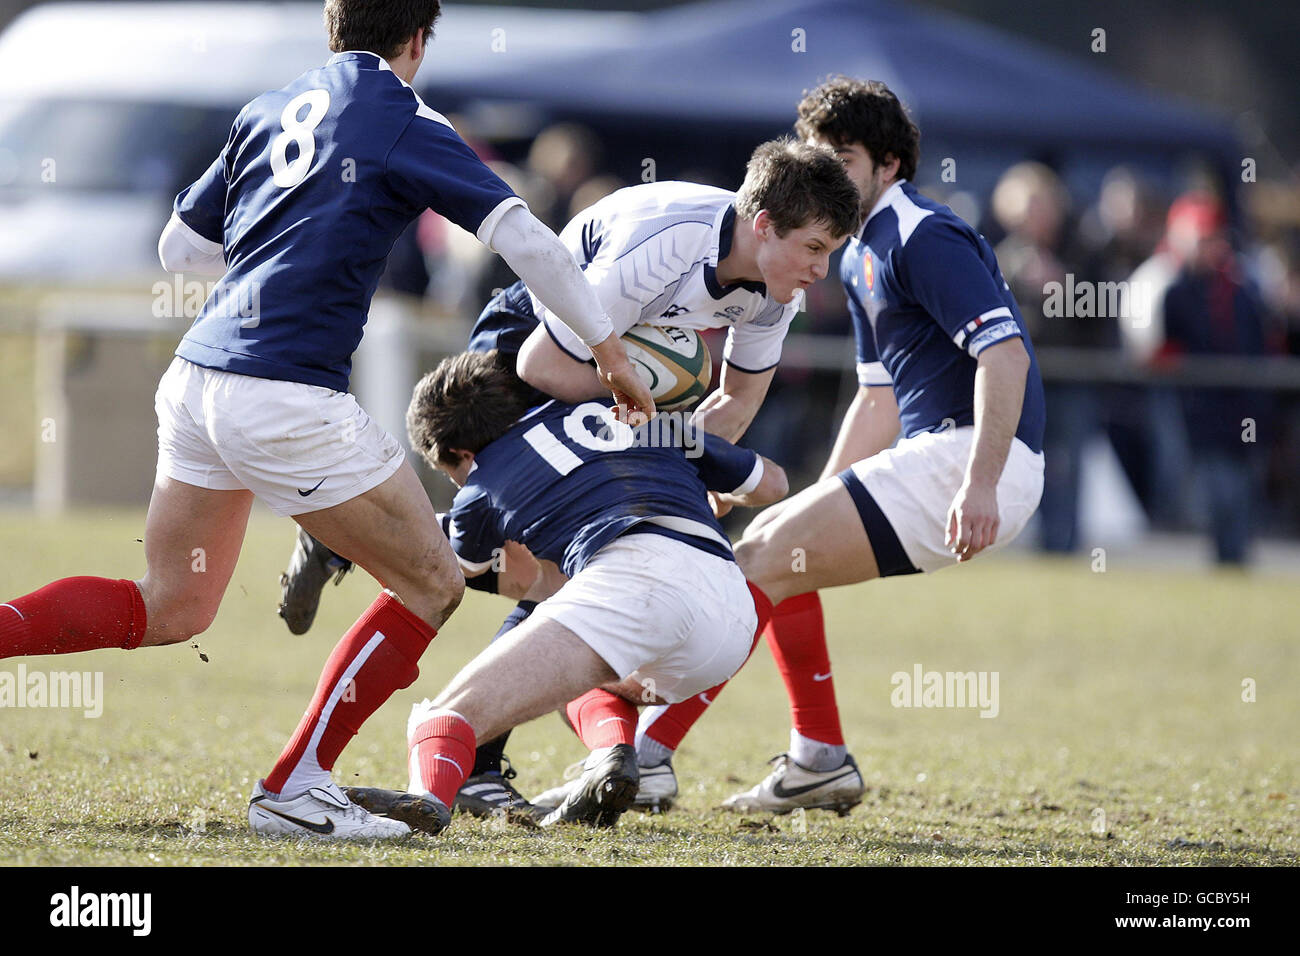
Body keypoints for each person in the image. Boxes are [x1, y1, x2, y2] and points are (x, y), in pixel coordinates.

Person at [0, 0, 654, 841]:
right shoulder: (402, 116)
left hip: (200, 377)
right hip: (283, 391)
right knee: (432, 582)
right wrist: (610, 354)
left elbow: (178, 251)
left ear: (332, 29)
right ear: (419, 40)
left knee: (172, 605)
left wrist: (273, 262)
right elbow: (530, 242)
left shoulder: (267, 106)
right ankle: (295, 788)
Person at [276, 138, 863, 815]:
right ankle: (361, 554)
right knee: (454, 572)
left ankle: (471, 745)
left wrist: (676, 471)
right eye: (816, 248)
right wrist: (636, 398)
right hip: (535, 341)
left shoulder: (773, 293)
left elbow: (734, 404)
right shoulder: (665, 243)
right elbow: (541, 368)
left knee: (586, 555)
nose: (824, 269)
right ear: (763, 225)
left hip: (612, 373)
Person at [629, 77, 1047, 815]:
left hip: (973, 456)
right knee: (784, 554)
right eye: (816, 155)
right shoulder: (853, 251)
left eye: (844, 158)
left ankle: (646, 757)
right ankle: (818, 758)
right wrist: (819, 503)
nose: (825, 171)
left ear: (889, 166)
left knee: (760, 557)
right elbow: (878, 398)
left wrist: (981, 483)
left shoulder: (922, 233)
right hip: (942, 455)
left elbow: (1005, 357)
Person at [343, 350, 788, 833]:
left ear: (463, 455)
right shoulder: (632, 414)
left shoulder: (480, 486)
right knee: (575, 658)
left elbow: (473, 576)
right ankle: (611, 760)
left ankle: (426, 800)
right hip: (731, 617)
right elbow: (772, 484)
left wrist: (352, 537)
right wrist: (713, 491)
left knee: (440, 720)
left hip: (637, 584)